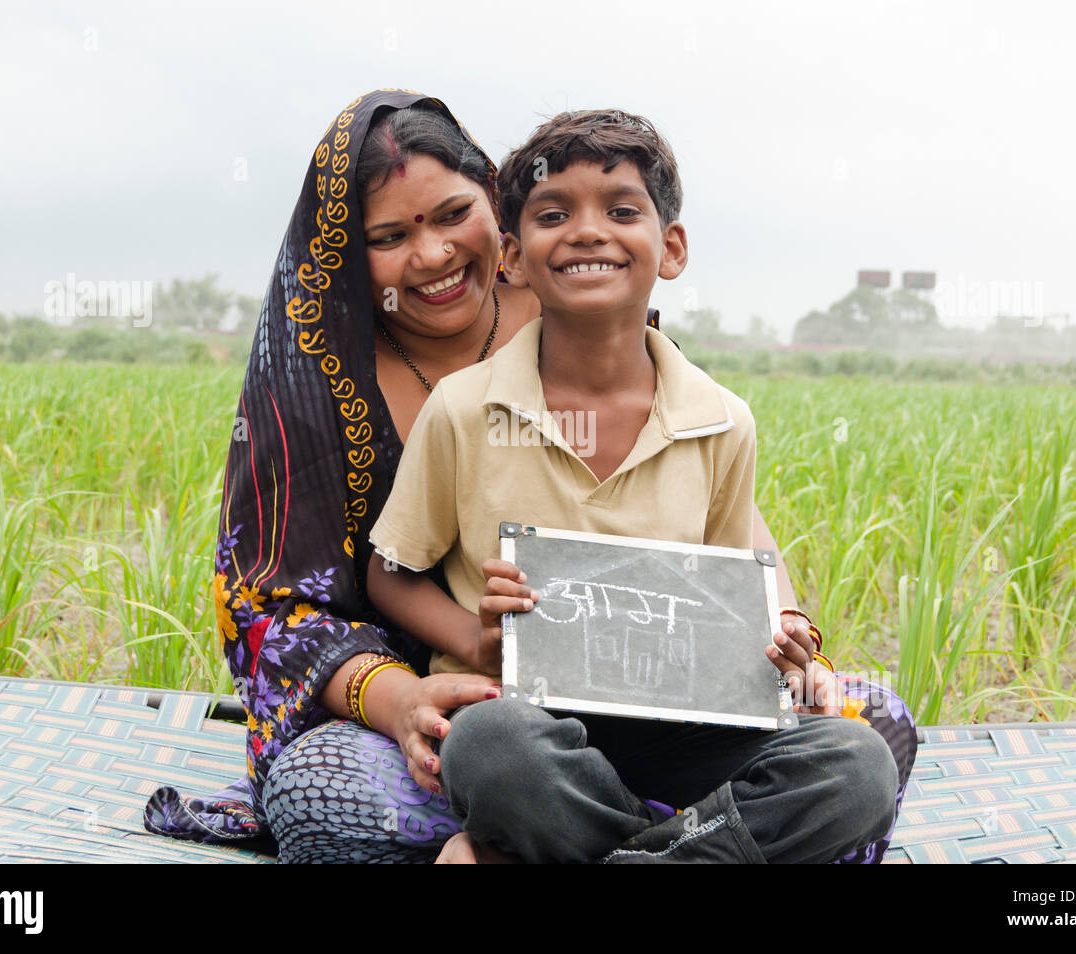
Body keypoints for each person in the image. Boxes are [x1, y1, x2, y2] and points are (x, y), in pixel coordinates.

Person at [143, 90, 915, 863]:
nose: (433, 254)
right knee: (329, 795)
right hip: (464, 712)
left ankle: (528, 852)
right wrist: (412, 691)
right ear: (349, 253)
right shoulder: (328, 383)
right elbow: (278, 610)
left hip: (673, 703)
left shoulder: (587, 302)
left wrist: (792, 630)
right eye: (389, 235)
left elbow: (723, 525)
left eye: (452, 215)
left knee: (869, 734)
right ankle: (687, 840)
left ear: (494, 220)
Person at [366, 108, 900, 863]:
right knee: (489, 748)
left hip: (688, 723)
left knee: (856, 766)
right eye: (555, 214)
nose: (588, 231)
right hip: (529, 717)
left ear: (671, 247)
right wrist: (473, 638)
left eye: (621, 211)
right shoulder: (464, 408)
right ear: (513, 256)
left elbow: (734, 581)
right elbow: (390, 573)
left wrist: (785, 634)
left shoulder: (720, 421)